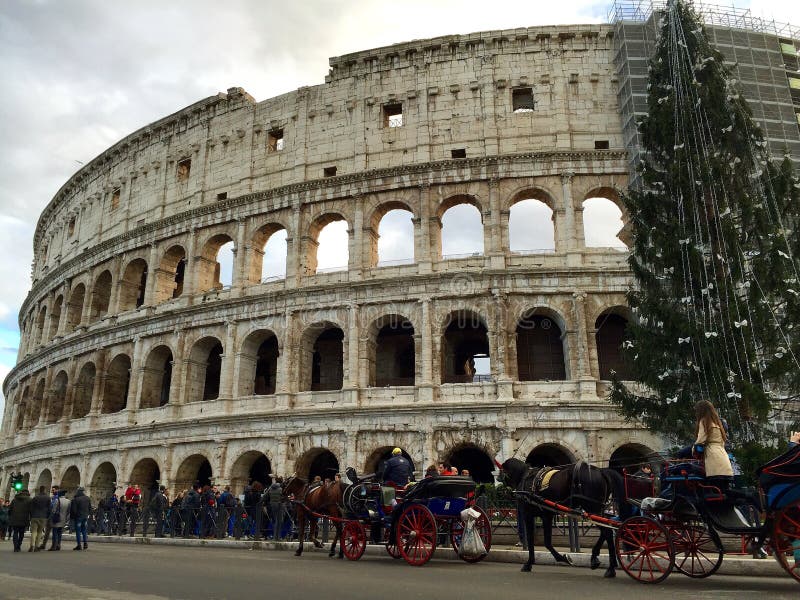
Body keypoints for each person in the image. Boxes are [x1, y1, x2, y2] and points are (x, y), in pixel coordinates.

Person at [693, 400, 733, 490]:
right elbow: (723, 442)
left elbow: (701, 440)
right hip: (725, 462)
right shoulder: (718, 423)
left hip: (714, 463)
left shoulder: (704, 421)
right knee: (724, 492)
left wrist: (692, 449)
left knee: (713, 492)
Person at [8, 488, 31, 552]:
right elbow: (31, 510)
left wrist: (10, 516)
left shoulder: (14, 500)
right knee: (21, 533)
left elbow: (10, 510)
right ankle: (19, 545)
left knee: (15, 532)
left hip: (15, 518)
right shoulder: (29, 500)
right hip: (24, 519)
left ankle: (15, 547)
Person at [29, 485, 50, 552]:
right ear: (44, 490)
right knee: (40, 532)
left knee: (34, 532)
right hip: (43, 517)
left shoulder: (35, 498)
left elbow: (31, 508)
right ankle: (37, 546)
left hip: (35, 516)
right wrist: (47, 516)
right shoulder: (48, 498)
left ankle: (31, 546)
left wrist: (31, 515)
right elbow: (49, 508)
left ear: (39, 490)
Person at [39, 485, 59, 550]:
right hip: (51, 516)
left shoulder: (57, 498)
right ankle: (44, 544)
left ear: (57, 490)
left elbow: (53, 507)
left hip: (54, 516)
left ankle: (54, 545)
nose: (52, 491)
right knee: (48, 531)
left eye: (53, 490)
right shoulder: (52, 497)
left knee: (54, 532)